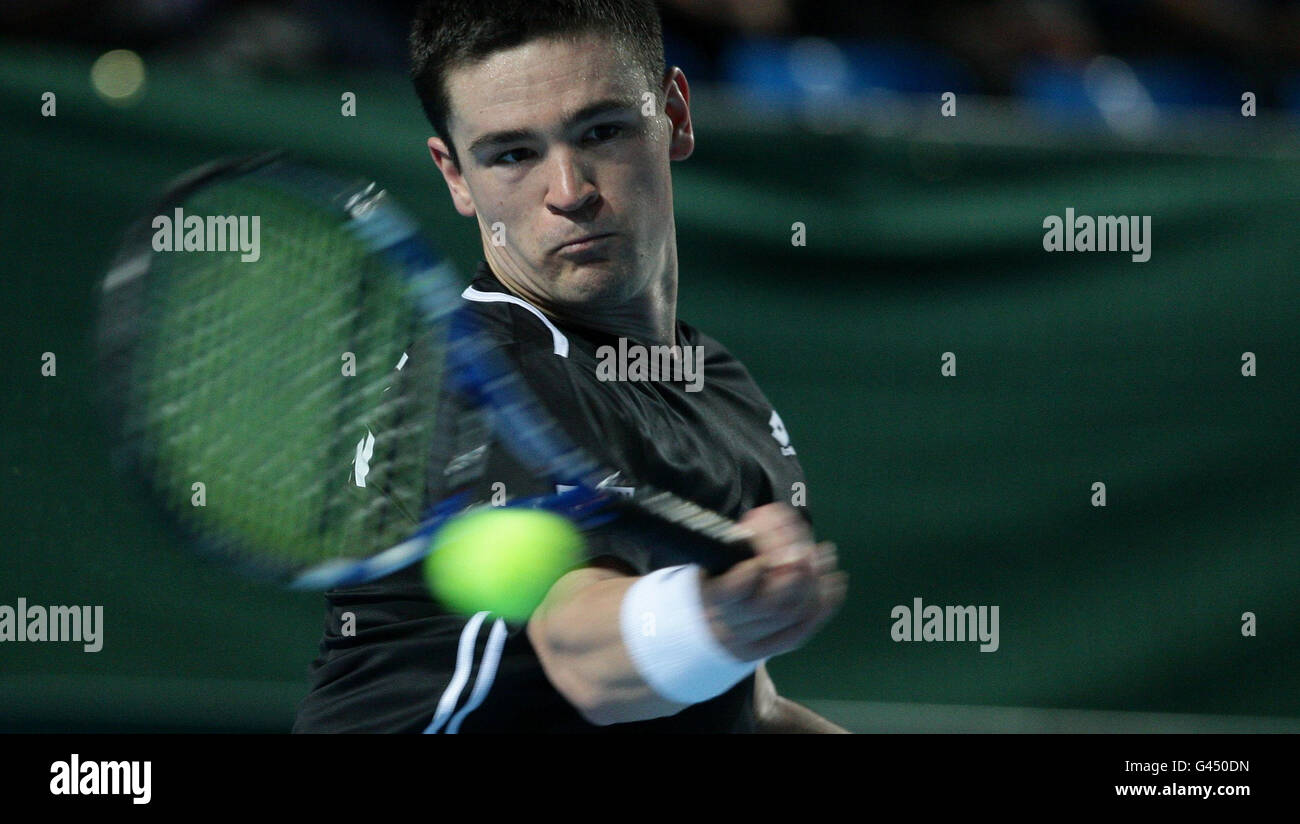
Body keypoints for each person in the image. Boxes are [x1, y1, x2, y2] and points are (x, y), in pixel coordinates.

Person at [293, 0, 848, 733]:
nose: (569, 193)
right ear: (456, 176)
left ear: (675, 117)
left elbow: (750, 711)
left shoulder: (714, 384)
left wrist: (732, 634)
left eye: (602, 130)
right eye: (512, 154)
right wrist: (715, 619)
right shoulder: (482, 375)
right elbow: (586, 660)